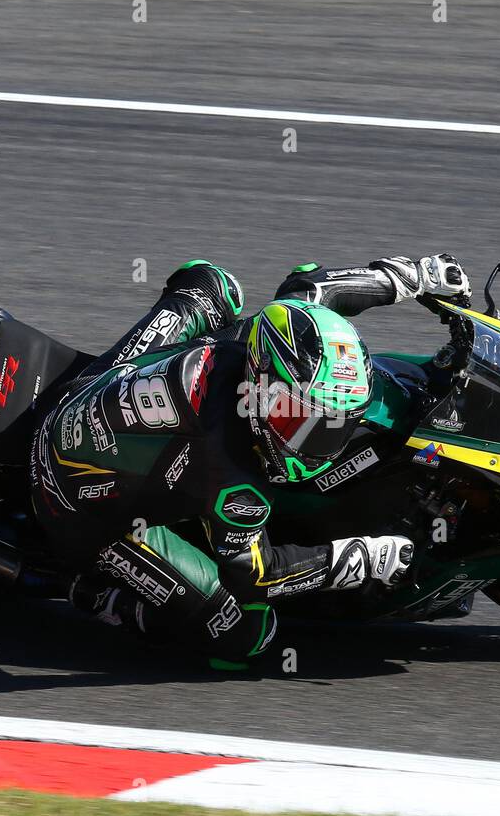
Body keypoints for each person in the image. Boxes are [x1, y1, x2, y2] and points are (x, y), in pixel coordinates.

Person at [29, 254, 470, 665]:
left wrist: (414, 276)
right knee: (242, 632)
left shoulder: (269, 337)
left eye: (331, 422)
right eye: (295, 416)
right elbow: (254, 573)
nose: (312, 438)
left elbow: (310, 288)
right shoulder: (234, 473)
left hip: (98, 386)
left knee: (212, 283)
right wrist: (359, 558)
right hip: (73, 497)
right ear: (260, 387)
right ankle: (91, 593)